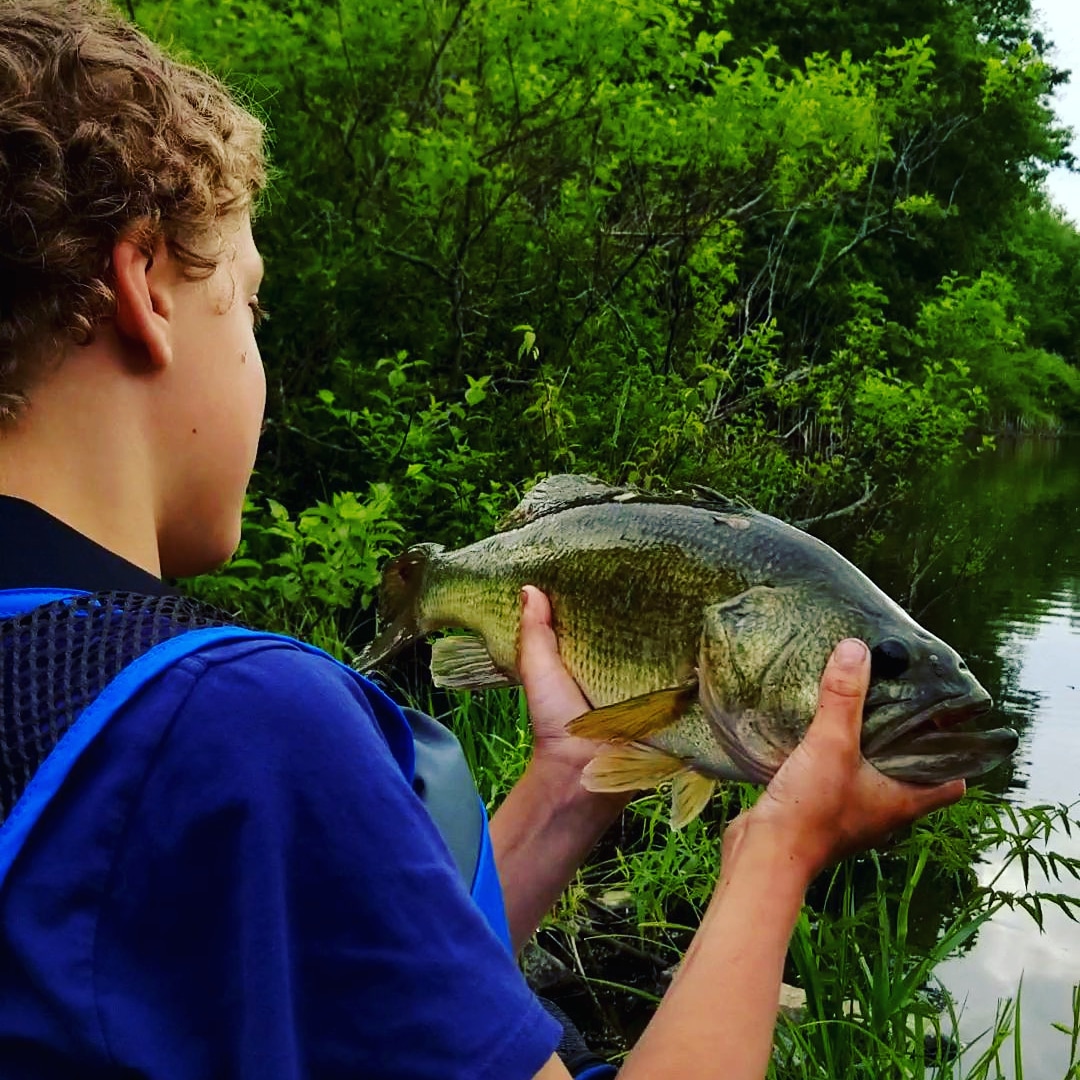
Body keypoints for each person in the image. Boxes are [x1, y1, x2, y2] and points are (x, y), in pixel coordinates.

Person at [0, 2, 966, 1077]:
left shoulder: (91, 702)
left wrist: (570, 775)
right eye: (252, 307)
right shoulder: (234, 725)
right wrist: (776, 852)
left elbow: (381, 992)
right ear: (145, 292)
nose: (258, 361)